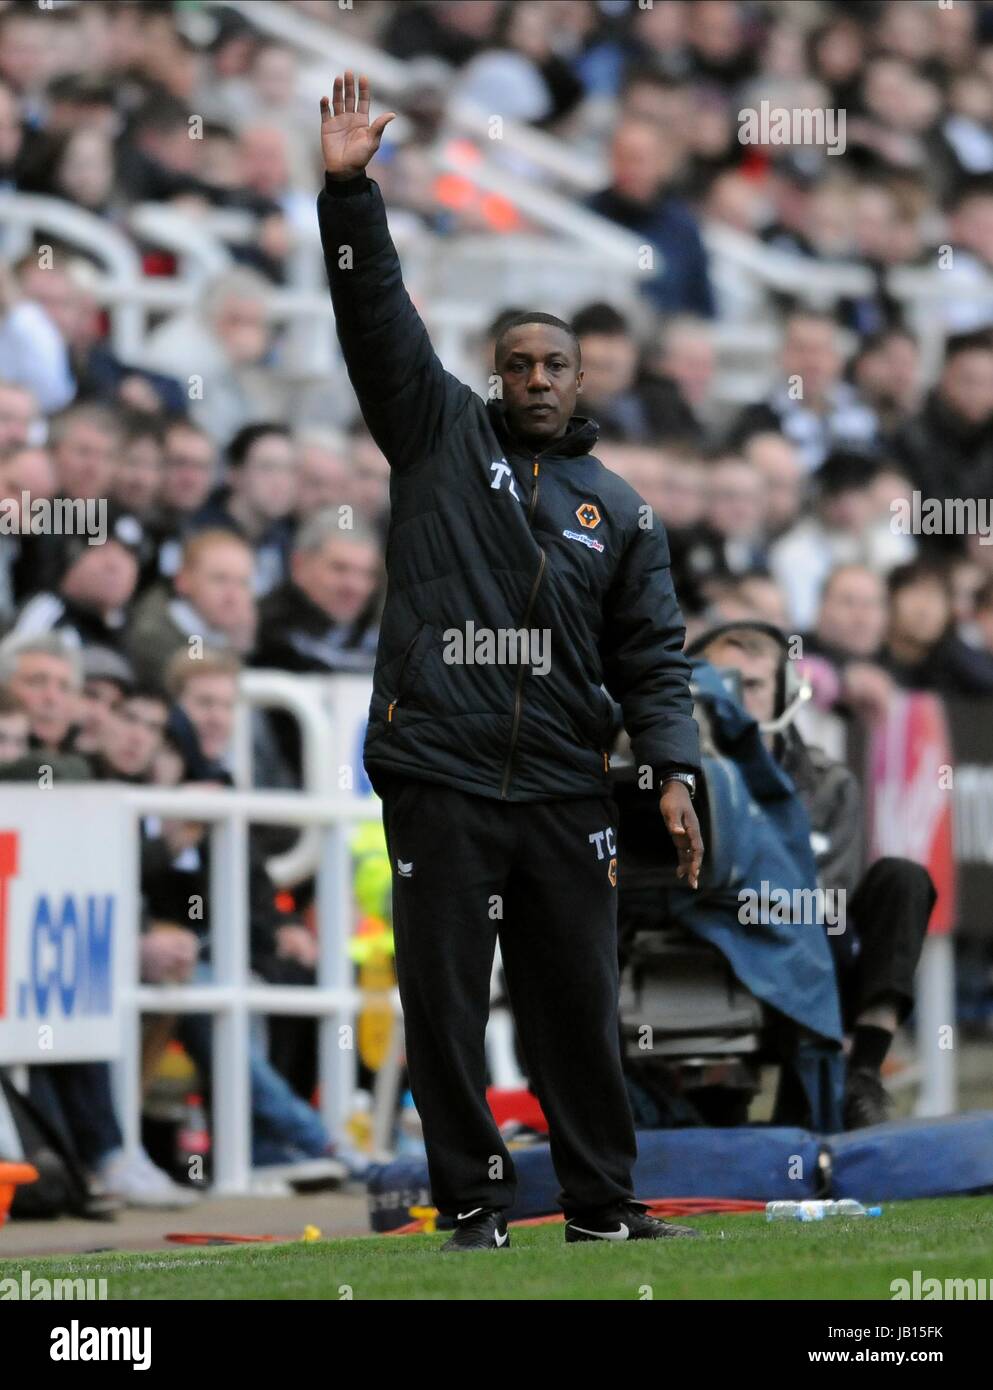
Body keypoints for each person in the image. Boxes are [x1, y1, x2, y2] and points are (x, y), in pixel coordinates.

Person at [318, 73, 704, 1250]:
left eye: (556, 365)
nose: (536, 378)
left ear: (582, 381)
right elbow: (375, 314)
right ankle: (474, 1202)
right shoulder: (435, 436)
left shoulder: (621, 510)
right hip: (439, 764)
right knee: (441, 1005)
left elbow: (656, 657)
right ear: (495, 374)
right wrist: (349, 193)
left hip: (561, 780)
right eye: (519, 363)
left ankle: (604, 1204)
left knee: (577, 1006)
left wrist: (676, 770)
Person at [695, 623, 934, 1128]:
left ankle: (862, 1075)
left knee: (902, 881)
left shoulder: (829, 782)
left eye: (753, 685)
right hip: (708, 960)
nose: (735, 699)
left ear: (785, 691)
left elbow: (832, 903)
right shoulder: (669, 779)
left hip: (809, 953)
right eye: (720, 683)